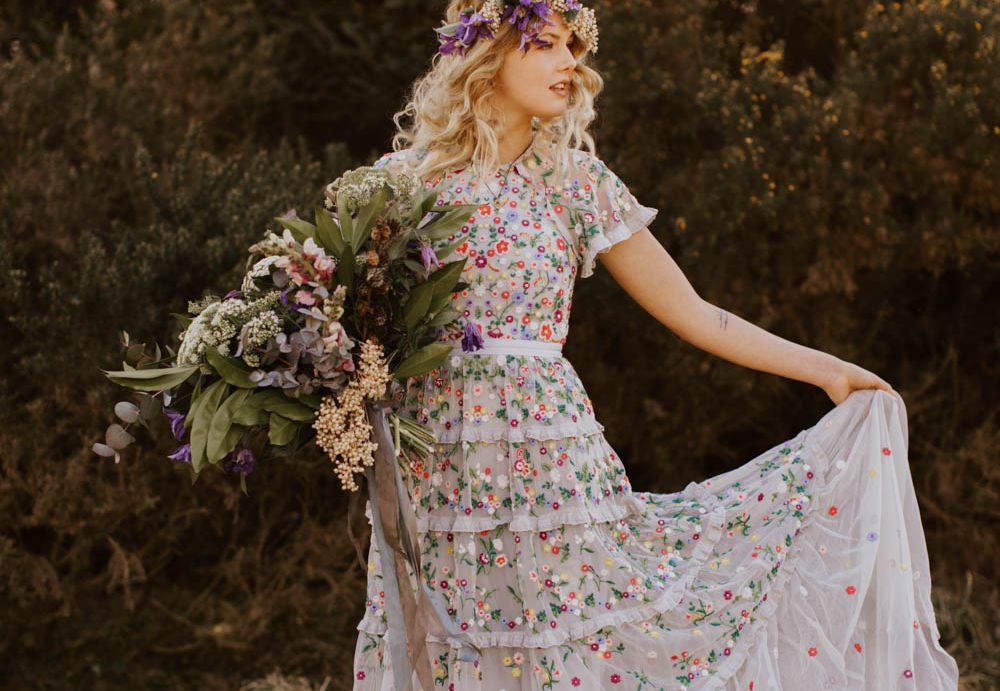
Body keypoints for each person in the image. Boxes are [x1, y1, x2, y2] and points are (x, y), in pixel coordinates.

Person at [351, 1, 960, 688]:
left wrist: (829, 370)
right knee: (447, 639)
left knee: (563, 639)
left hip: (547, 457)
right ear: (489, 54)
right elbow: (358, 327)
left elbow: (694, 312)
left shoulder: (575, 183)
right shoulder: (401, 184)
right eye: (548, 45)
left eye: (574, 49)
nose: (570, 64)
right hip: (434, 456)